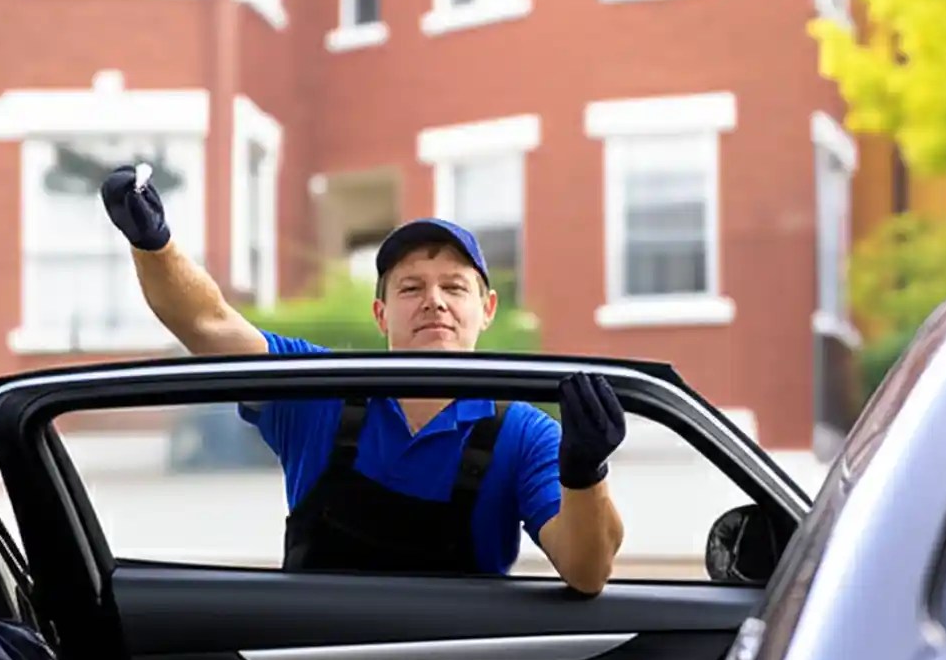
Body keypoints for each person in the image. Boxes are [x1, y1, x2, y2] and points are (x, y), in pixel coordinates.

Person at [100, 164, 625, 594]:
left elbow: (586, 571)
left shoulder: (528, 435)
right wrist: (153, 242)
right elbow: (208, 323)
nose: (434, 301)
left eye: (454, 287)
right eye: (411, 287)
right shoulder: (316, 391)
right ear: (381, 313)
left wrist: (584, 471)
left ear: (486, 308)